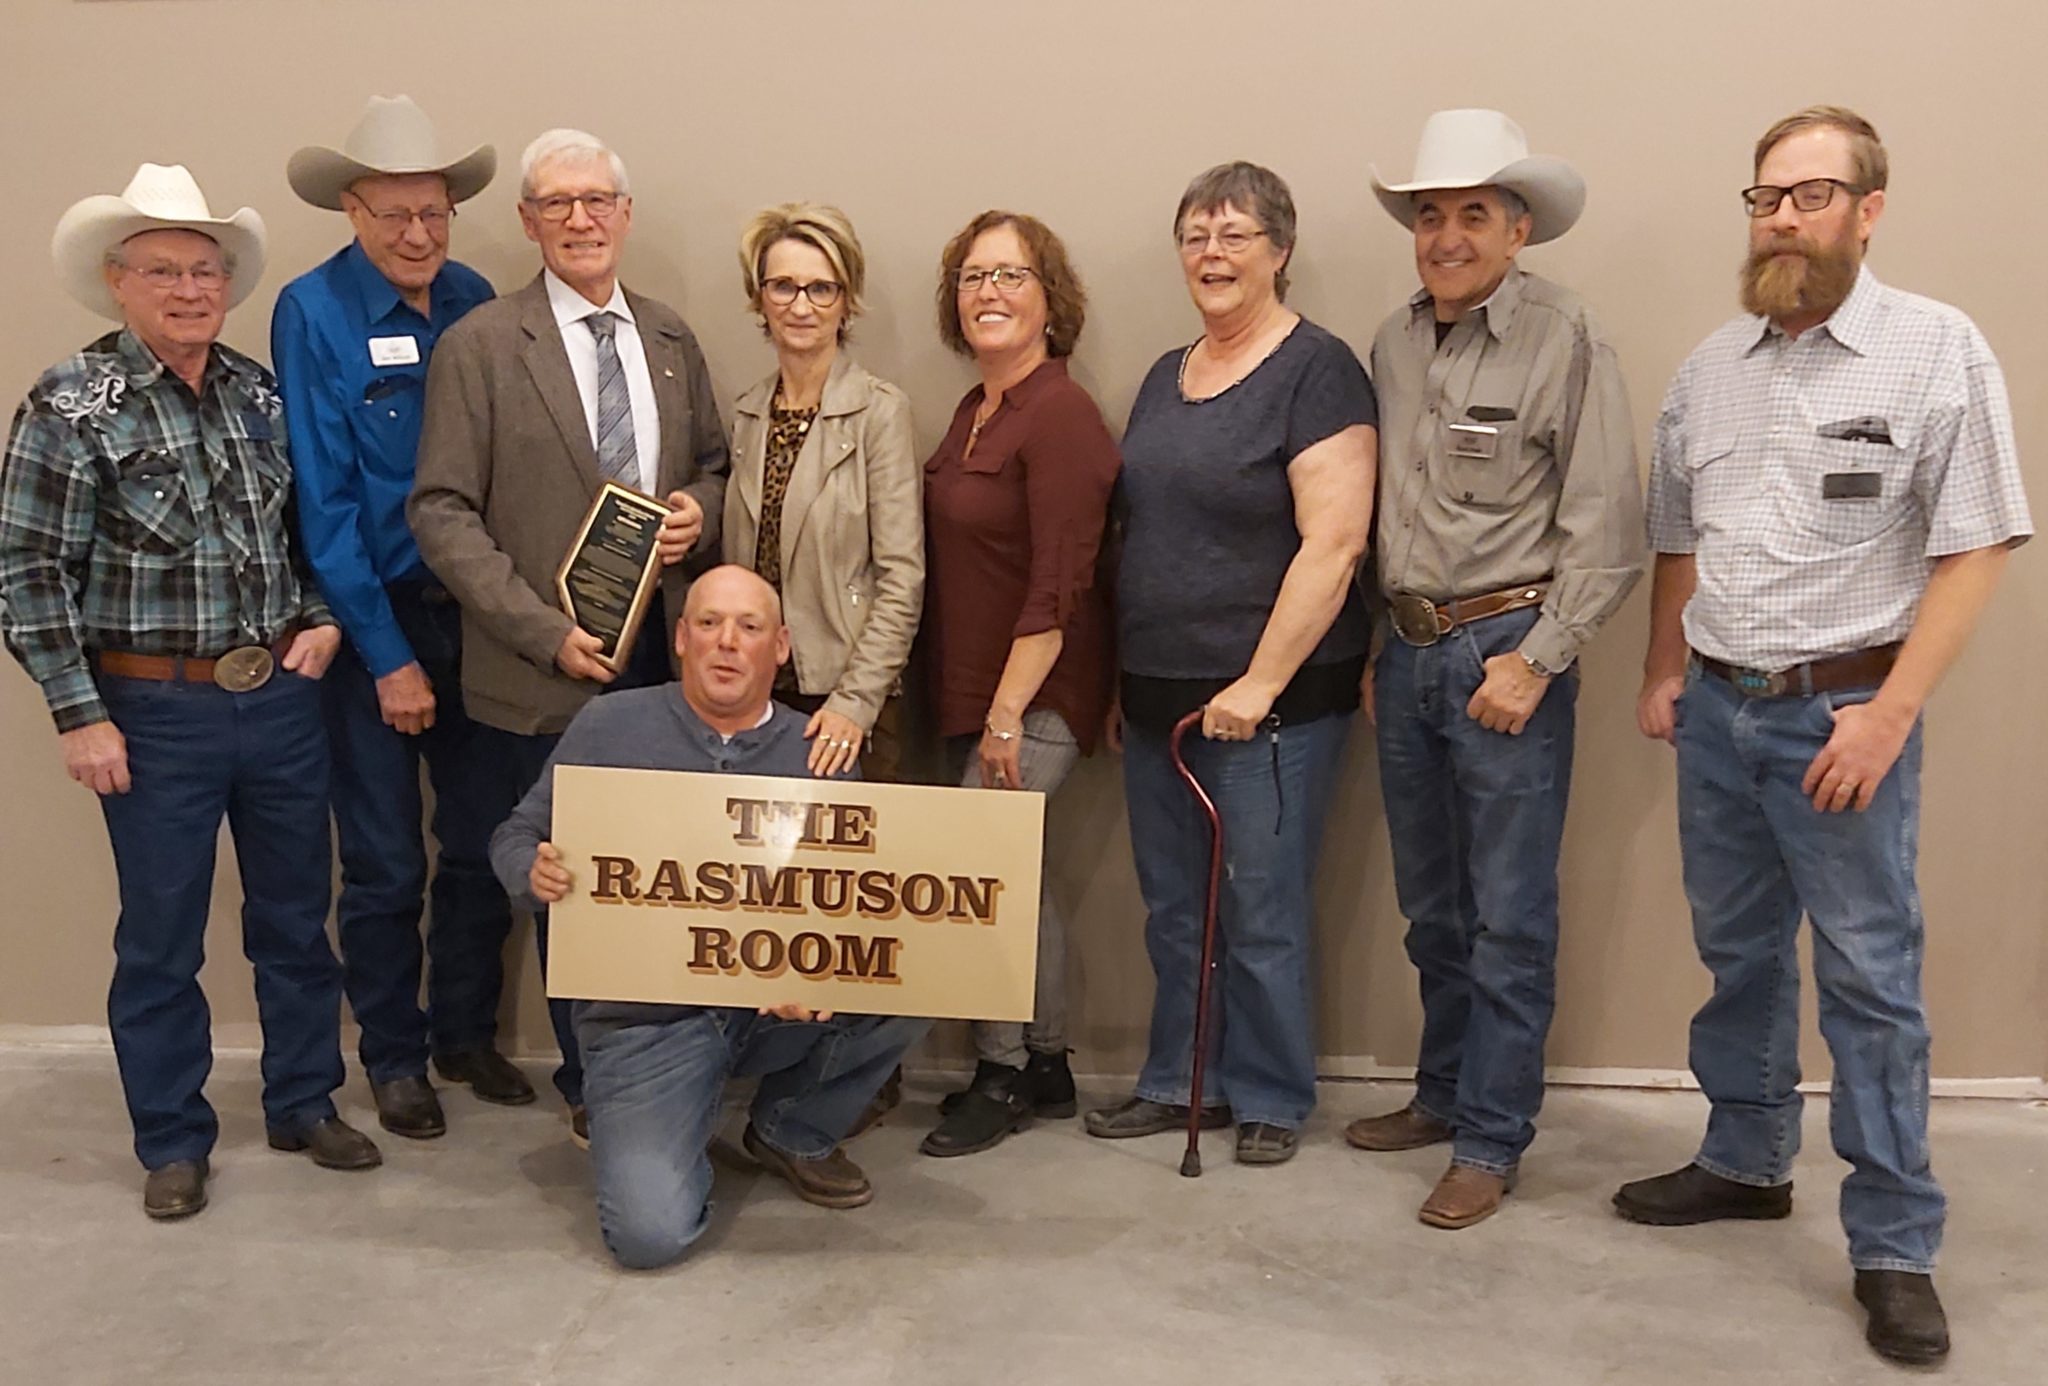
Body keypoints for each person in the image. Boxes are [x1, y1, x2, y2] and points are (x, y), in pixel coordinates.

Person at [1617, 106, 2030, 1367]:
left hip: (1842, 718)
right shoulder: (1709, 369)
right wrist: (1660, 669)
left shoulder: (1932, 352)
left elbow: (1972, 548)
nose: (1780, 218)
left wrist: (1887, 715)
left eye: (1807, 195)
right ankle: (1744, 1162)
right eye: (1763, 198)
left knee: (1865, 983)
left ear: (1868, 208)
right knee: (1735, 956)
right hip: (1717, 714)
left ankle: (1895, 1246)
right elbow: (1678, 538)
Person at [0, 164, 379, 1219]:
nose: (187, 289)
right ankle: (171, 1136)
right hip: (152, 710)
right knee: (161, 936)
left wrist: (323, 618)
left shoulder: (260, 392)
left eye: (205, 270)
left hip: (280, 702)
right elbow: (27, 570)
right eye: (162, 270)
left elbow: (310, 532)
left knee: (299, 918)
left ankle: (305, 1099)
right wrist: (79, 713)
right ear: (117, 282)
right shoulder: (72, 402)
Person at [1347, 110, 1644, 1228]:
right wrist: (1385, 638)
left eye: (1473, 214)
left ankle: (1489, 1137)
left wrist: (1538, 659)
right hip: (1411, 655)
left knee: (1507, 916)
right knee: (1431, 907)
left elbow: (1606, 526)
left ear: (1517, 230)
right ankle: (1439, 1094)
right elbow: (1386, 515)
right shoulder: (1391, 342)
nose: (1447, 235)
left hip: (1503, 655)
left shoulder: (1565, 338)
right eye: (1430, 215)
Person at [410, 128, 731, 1144]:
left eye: (597, 200)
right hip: (538, 670)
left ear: (625, 214)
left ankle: (668, 1056)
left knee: (662, 873)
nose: (581, 220)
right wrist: (540, 632)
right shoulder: (481, 346)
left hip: (657, 662)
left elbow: (719, 465)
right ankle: (593, 1087)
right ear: (527, 222)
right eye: (557, 204)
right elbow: (441, 511)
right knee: (565, 882)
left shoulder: (672, 341)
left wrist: (697, 509)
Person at [488, 565, 927, 1270]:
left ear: (780, 646)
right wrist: (530, 870)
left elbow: (845, 909)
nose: (729, 643)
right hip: (647, 1022)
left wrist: (818, 974)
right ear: (683, 638)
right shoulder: (608, 724)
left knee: (931, 964)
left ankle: (789, 1128)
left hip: (768, 1013)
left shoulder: (820, 752)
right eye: (710, 625)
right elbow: (514, 834)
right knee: (649, 1235)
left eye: (749, 628)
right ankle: (666, 1124)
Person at [1086, 162, 1377, 1167]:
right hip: (1157, 693)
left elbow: (1333, 544)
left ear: (1279, 252)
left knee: (1258, 905)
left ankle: (1267, 1095)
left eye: (1234, 234)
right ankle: (1180, 1082)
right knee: (1173, 907)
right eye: (1195, 235)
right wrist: (1128, 682)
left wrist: (1256, 684)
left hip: (1276, 705)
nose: (1211, 254)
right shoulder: (1164, 374)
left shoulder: (1317, 370)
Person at [272, 95, 510, 1137]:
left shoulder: (477, 298)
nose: (416, 235)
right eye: (393, 215)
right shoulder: (311, 311)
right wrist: (386, 659)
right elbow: (321, 505)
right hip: (378, 623)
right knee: (381, 861)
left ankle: (463, 1034)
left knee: (480, 842)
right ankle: (394, 1056)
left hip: (482, 620)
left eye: (434, 214)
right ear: (353, 211)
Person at [916, 210, 1120, 1157]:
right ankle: (1046, 1065)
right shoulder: (976, 410)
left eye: (1011, 275)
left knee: (978, 871)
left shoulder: (1061, 412)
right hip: (972, 689)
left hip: (1034, 698)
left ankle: (995, 1075)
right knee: (1019, 878)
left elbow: (1061, 582)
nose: (989, 292)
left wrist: (1007, 714)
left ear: (1050, 298)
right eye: (972, 277)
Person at [721, 202, 922, 782]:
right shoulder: (748, 414)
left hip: (846, 702)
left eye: (821, 288)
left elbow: (902, 578)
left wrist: (855, 702)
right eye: (783, 286)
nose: (801, 306)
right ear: (759, 297)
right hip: (754, 696)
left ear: (847, 299)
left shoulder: (879, 412)